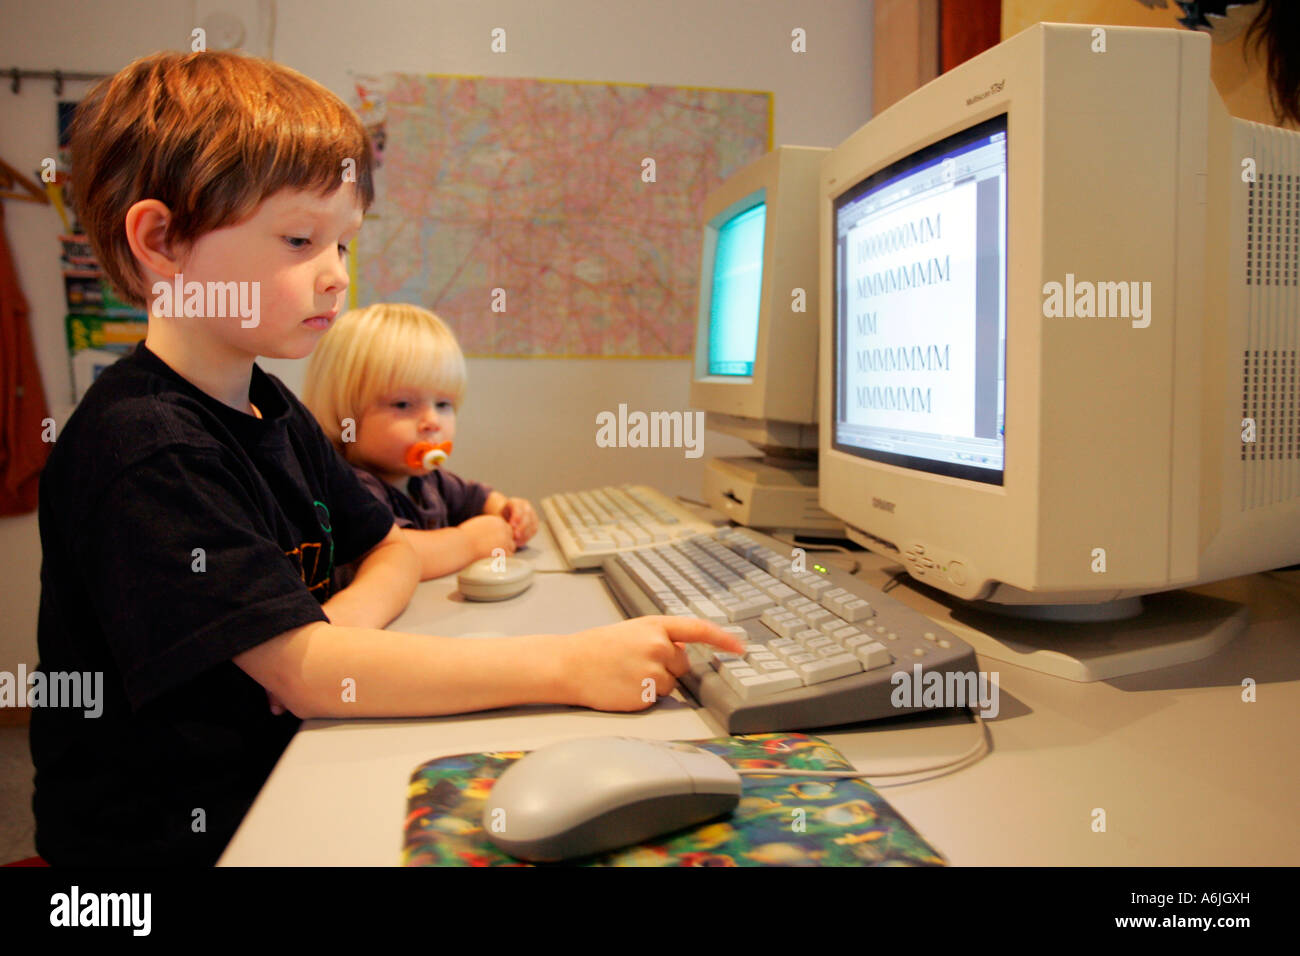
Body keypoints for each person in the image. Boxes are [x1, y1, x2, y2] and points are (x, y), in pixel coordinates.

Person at [30, 49, 741, 867]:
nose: (336, 277)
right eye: (300, 239)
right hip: (168, 844)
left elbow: (388, 551)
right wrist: (569, 664)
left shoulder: (269, 405)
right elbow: (306, 676)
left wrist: (327, 632)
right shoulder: (147, 444)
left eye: (343, 245)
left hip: (287, 767)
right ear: (162, 240)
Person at [302, 303, 537, 582]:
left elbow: (477, 497)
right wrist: (470, 542)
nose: (432, 422)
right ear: (345, 415)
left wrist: (509, 512)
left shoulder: (428, 482)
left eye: (443, 404)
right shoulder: (350, 488)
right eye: (403, 404)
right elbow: (391, 555)